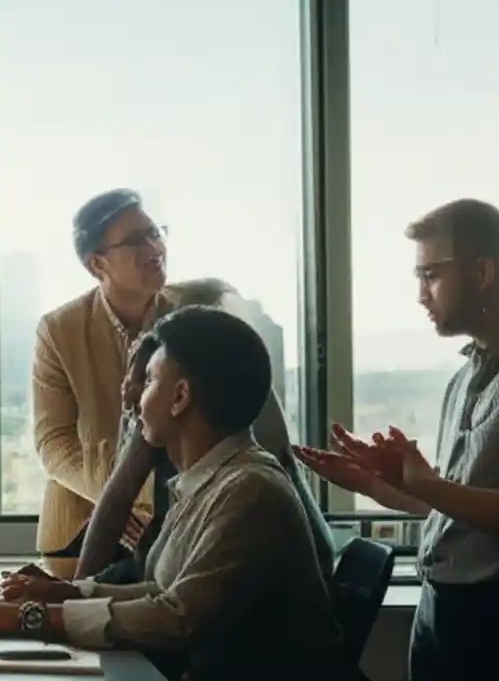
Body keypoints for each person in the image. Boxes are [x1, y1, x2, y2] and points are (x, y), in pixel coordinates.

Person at [0, 307, 346, 681]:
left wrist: (32, 619)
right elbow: (162, 590)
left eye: (149, 380)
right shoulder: (206, 481)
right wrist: (67, 593)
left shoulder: (250, 490)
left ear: (180, 397)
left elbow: (176, 617)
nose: (135, 400)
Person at [32, 187, 331, 579]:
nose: (154, 247)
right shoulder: (59, 329)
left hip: (190, 514)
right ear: (97, 264)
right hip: (87, 517)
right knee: (66, 618)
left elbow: (260, 424)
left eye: (156, 233)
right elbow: (53, 442)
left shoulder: (196, 315)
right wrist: (122, 499)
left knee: (148, 615)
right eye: (136, 240)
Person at [295, 198, 499, 681]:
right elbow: (461, 511)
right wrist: (380, 485)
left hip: (496, 618)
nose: (420, 294)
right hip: (442, 607)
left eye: (431, 274)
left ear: (482, 273)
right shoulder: (464, 376)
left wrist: (428, 484)